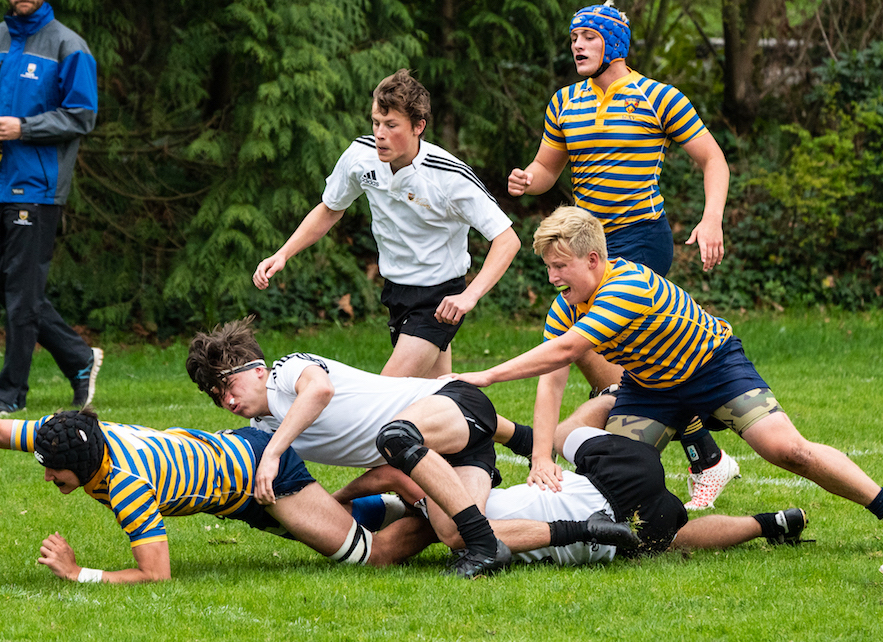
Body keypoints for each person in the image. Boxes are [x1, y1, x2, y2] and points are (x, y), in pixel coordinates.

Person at [449, 206, 883, 529]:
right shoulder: (566, 305)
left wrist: (487, 375)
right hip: (649, 389)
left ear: (593, 260)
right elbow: (551, 382)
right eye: (548, 267)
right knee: (616, 482)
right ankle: (707, 512)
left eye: (560, 266)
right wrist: (541, 458)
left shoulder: (627, 285)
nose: (552, 278)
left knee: (788, 451)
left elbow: (567, 351)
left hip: (714, 368)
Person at [185, 318, 640, 578]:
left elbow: (319, 391)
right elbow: (378, 474)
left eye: (229, 385)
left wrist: (271, 454)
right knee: (455, 533)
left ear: (257, 369)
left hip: (453, 402)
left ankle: (487, 549)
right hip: (456, 448)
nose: (227, 401)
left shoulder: (289, 370)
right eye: (216, 396)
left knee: (396, 436)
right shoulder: (266, 426)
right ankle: (588, 529)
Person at [506, 2, 735, 509]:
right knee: (604, 356)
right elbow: (547, 169)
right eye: (573, 38)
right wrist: (528, 179)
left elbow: (712, 158)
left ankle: (688, 453)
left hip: (639, 237)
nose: (577, 45)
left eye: (588, 36)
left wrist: (711, 217)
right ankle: (702, 454)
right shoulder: (564, 102)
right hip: (584, 244)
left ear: (614, 43)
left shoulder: (658, 97)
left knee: (599, 350)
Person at [0, 407, 436, 583]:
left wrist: (78, 574)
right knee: (342, 525)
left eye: (55, 473)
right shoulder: (69, 434)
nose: (48, 478)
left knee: (368, 555)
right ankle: (397, 491)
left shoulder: (128, 485)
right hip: (232, 471)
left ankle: (443, 520)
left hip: (260, 478)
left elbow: (155, 575)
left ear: (85, 467)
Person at [253, 69, 521, 380]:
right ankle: (492, 417)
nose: (380, 133)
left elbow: (507, 239)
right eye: (376, 123)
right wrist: (283, 253)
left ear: (418, 127)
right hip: (396, 291)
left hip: (438, 298)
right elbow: (330, 209)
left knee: (385, 394)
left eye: (391, 125)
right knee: (437, 396)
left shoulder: (449, 176)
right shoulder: (360, 156)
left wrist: (469, 296)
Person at [0, 0, 102, 415]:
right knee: (6, 285)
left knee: (22, 295)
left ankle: (8, 394)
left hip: (37, 187)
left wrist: (25, 127)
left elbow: (82, 115)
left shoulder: (69, 46)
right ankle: (78, 356)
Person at [485, 399, 810, 566]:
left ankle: (769, 524)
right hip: (619, 480)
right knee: (561, 435)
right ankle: (618, 395)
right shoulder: (467, 523)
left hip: (615, 538)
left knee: (674, 540)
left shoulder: (473, 533)